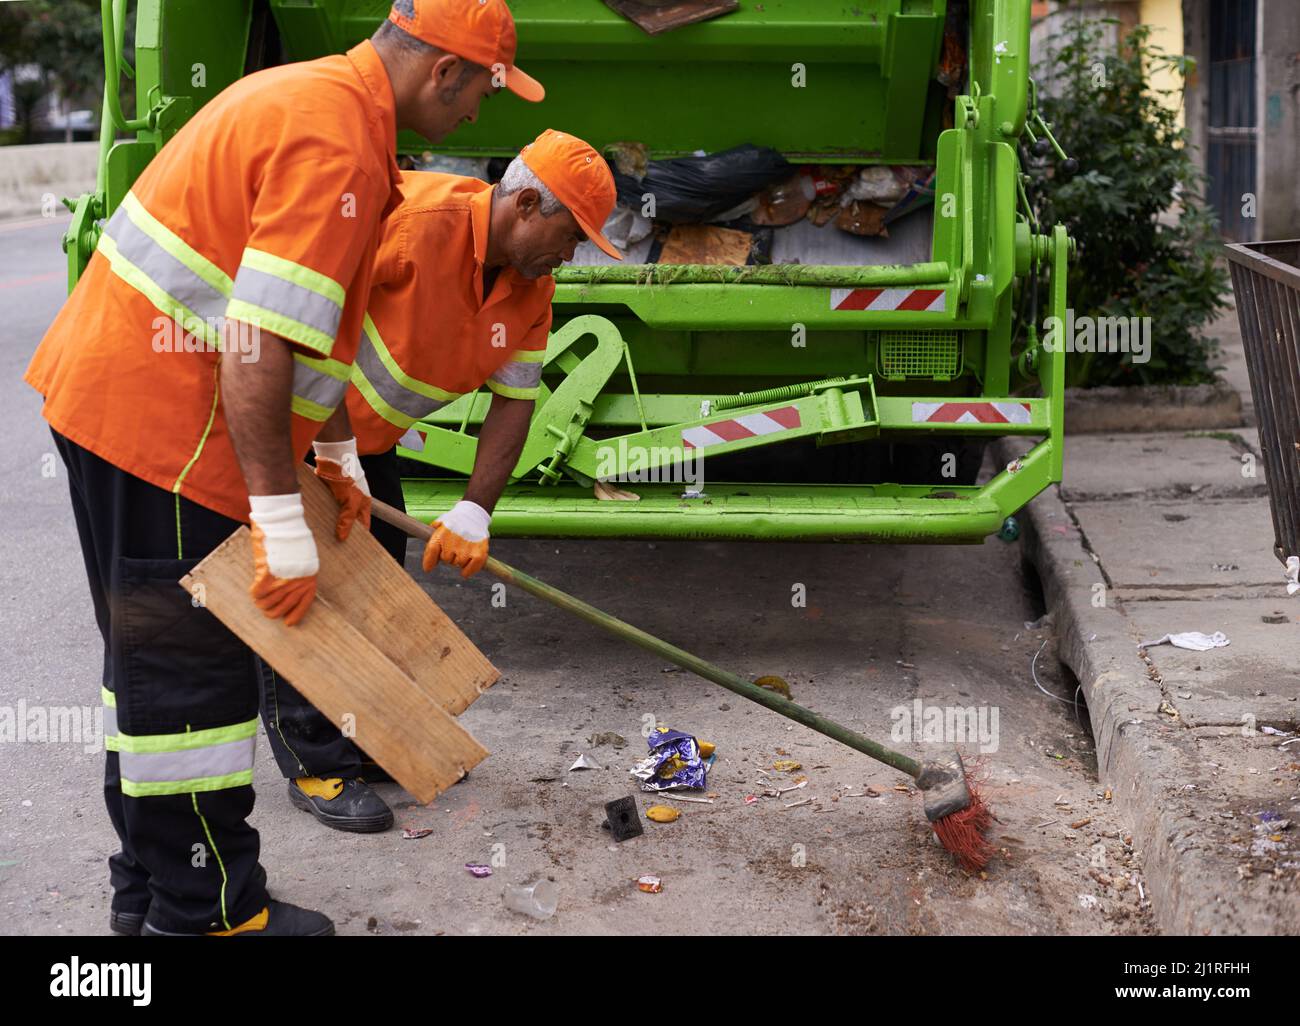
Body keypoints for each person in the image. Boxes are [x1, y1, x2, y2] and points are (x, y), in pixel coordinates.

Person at [24, 0, 542, 937]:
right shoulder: (340, 142)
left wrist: (335, 450)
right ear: (444, 72)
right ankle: (212, 915)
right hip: (169, 434)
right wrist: (277, 515)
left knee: (142, 675)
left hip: (116, 407)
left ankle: (143, 891)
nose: (476, 120)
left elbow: (296, 332)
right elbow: (255, 346)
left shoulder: (317, 102)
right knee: (193, 692)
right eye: (482, 94)